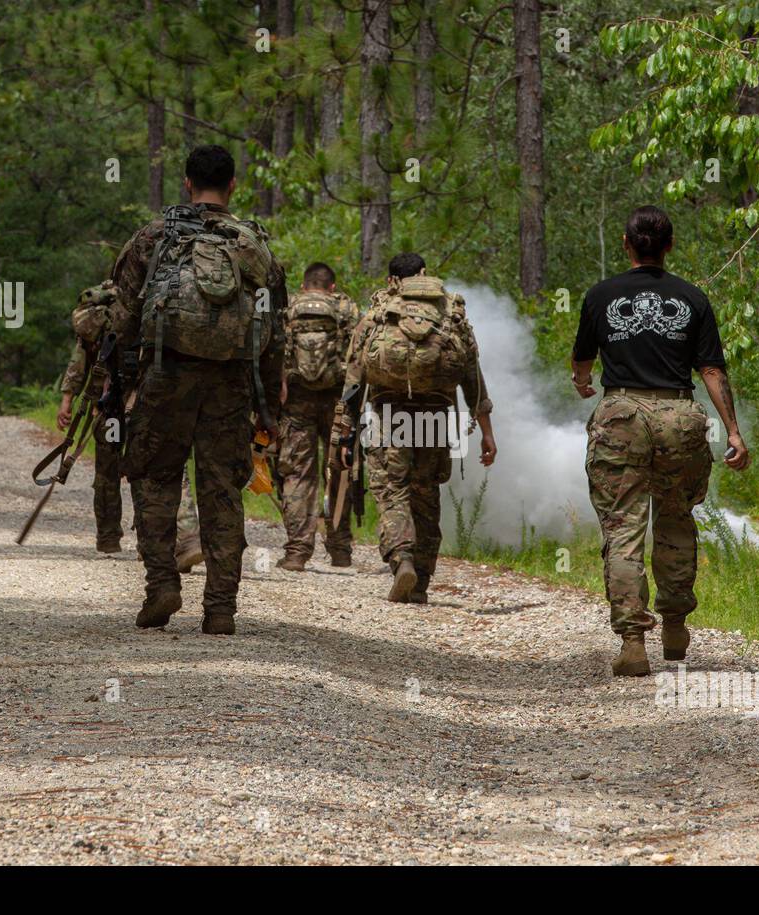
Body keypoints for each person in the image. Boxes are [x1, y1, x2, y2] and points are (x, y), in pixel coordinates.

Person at [107, 144, 286, 634]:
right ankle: (221, 608)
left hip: (166, 374)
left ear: (187, 184)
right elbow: (274, 331)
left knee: (155, 478)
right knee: (222, 489)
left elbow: (121, 320)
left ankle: (162, 584)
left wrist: (120, 386)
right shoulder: (254, 246)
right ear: (233, 186)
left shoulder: (154, 238)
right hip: (231, 383)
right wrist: (269, 405)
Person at [571, 204, 749, 677]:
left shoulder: (600, 295)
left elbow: (583, 359)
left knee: (623, 528)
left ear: (628, 245)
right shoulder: (692, 297)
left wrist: (583, 381)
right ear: (669, 246)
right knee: (675, 519)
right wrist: (732, 429)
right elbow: (711, 370)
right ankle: (674, 624)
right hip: (680, 416)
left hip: (621, 415)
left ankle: (632, 641)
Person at [333, 252, 497, 603]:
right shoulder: (450, 315)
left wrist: (343, 433)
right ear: (423, 274)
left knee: (393, 491)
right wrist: (486, 432)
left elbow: (353, 379)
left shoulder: (379, 314)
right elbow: (473, 379)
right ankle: (421, 580)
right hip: (435, 417)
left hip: (388, 415)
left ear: (393, 280)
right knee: (425, 493)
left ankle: (402, 557)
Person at [57, 281, 202, 570]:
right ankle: (162, 539)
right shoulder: (162, 303)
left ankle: (111, 537)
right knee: (151, 467)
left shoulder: (105, 310)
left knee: (111, 469)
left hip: (113, 401)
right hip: (147, 399)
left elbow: (81, 357)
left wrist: (67, 399)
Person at [276, 262, 360, 571]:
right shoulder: (346, 308)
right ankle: (340, 550)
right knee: (340, 470)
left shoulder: (289, 308)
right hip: (339, 402)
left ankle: (297, 552)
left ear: (303, 284)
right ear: (332, 287)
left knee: (297, 474)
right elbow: (360, 355)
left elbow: (275, 351)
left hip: (296, 401)